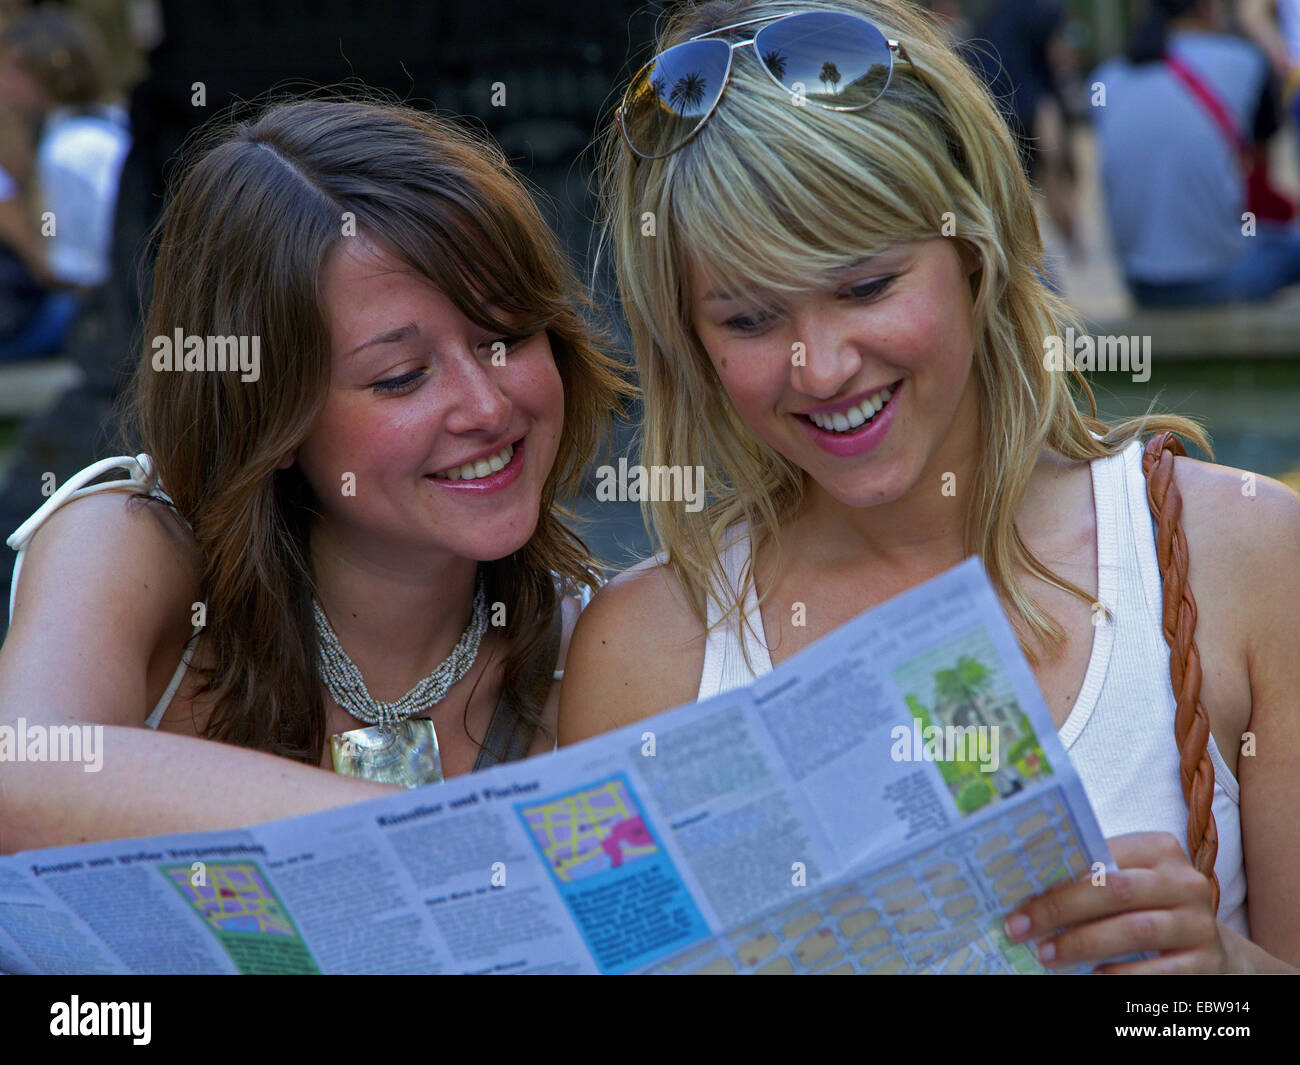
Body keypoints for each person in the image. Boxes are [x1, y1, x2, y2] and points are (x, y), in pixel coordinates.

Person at [562, 0, 1300, 972]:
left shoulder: (1239, 554)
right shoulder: (639, 651)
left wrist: (1219, 976)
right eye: (747, 318)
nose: (818, 367)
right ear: (687, 341)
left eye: (865, 287)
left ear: (978, 253)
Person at [0, 96, 629, 853]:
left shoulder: (594, 642)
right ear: (274, 415)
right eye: (401, 376)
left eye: (509, 337)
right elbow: (24, 774)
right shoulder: (132, 544)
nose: (486, 406)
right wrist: (428, 837)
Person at [1091, 0, 1300, 307]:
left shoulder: (1106, 77)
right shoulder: (1245, 61)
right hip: (1215, 280)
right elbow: (1257, 175)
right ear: (1207, 7)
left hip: (1139, 283)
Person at [0, 5, 130, 360]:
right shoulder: (113, 119)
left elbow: (78, 268)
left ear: (40, 75)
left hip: (111, 310)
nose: (3, 86)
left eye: (10, 72)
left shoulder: (64, 152)